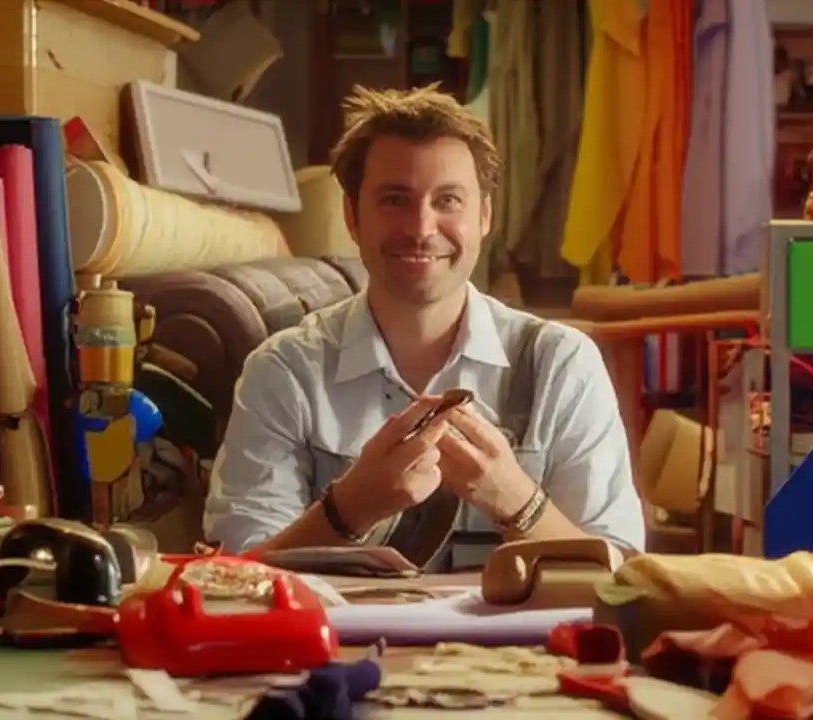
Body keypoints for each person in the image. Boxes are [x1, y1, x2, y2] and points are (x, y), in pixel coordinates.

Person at [204, 85, 645, 567]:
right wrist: (348, 509)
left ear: (484, 215)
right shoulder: (283, 371)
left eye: (448, 200)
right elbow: (238, 578)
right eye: (395, 199)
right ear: (352, 217)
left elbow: (619, 575)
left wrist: (519, 503)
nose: (420, 228)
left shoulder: (562, 364)